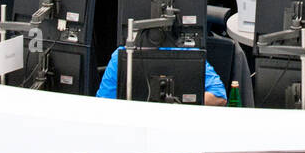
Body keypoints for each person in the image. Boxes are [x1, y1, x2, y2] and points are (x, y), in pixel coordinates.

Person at [95, 47, 227, 106]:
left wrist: (175, 102)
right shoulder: (123, 56)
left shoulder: (190, 54)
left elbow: (219, 97)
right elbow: (103, 105)